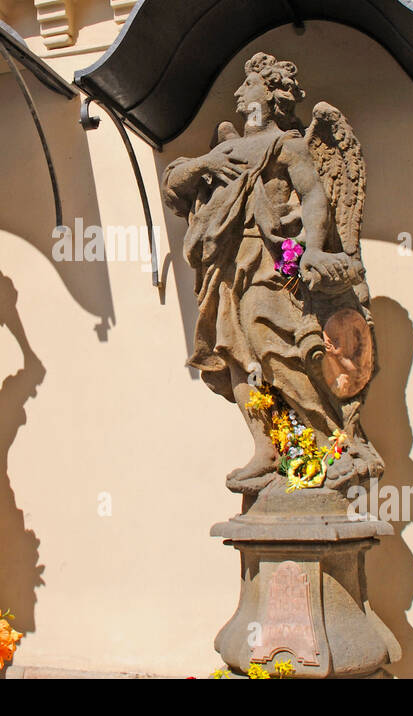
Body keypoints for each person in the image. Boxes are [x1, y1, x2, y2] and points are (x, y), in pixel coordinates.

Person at [162, 53, 378, 494]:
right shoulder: (224, 149)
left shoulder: (288, 145)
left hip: (273, 255)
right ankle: (269, 448)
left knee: (270, 339)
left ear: (271, 94)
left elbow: (315, 196)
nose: (240, 93)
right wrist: (204, 165)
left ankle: (333, 444)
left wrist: (314, 250)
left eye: (249, 85)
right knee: (234, 352)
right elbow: (174, 184)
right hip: (225, 265)